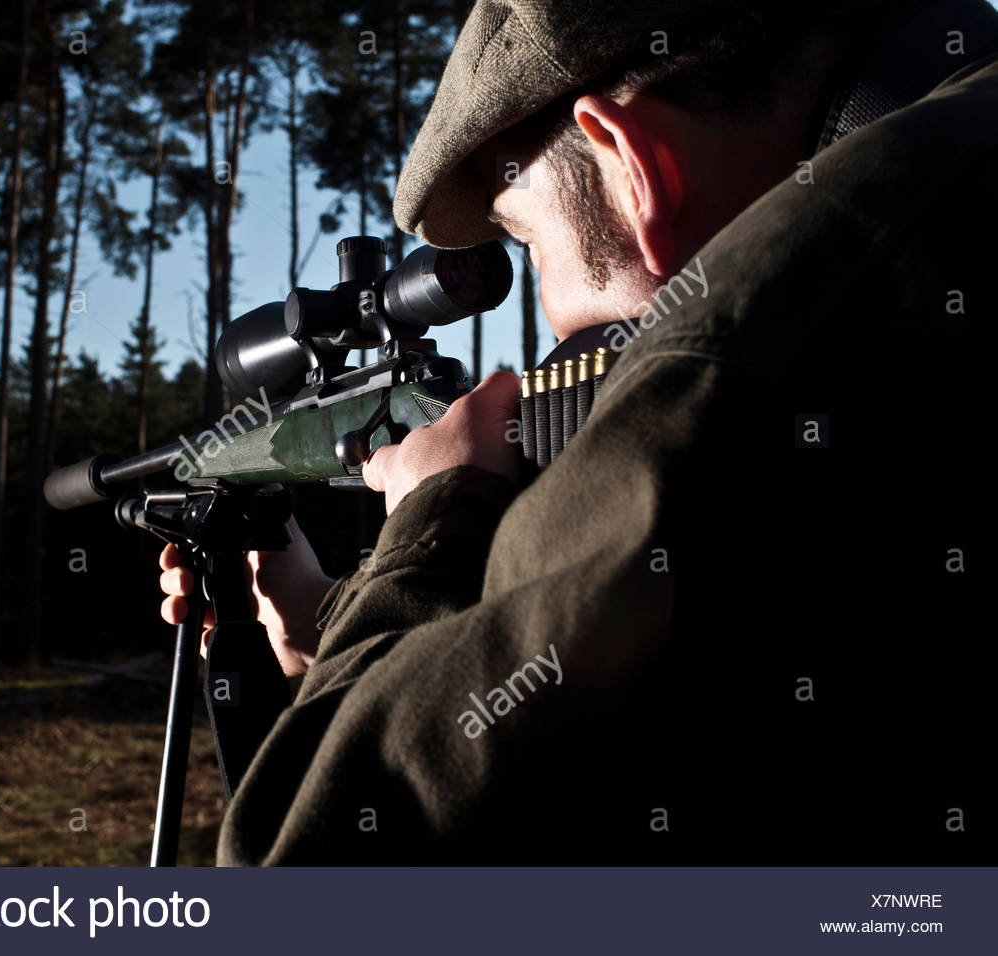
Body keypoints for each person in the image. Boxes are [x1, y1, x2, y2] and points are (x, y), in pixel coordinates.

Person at [160, 0, 998, 863]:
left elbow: (309, 868)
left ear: (637, 170)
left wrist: (427, 533)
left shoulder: (731, 373)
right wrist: (335, 619)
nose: (552, 320)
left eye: (526, 248)